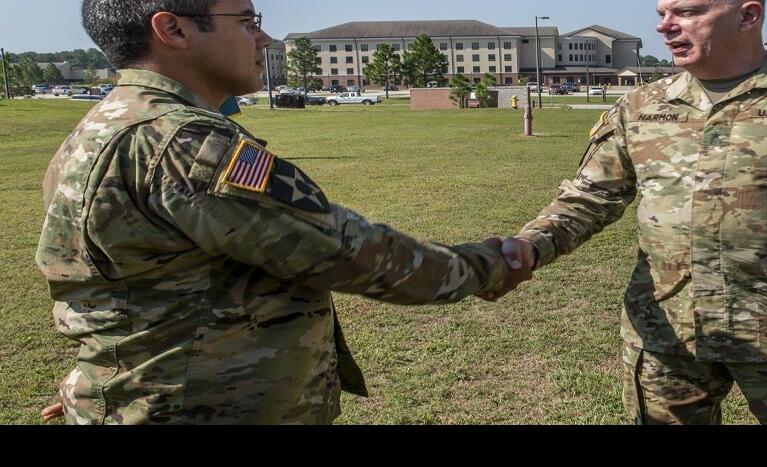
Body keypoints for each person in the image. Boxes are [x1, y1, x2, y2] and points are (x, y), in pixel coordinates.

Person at [37, 0, 513, 424]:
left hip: (152, 398)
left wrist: (103, 383)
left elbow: (111, 285)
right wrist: (488, 265)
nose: (265, 39)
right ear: (173, 29)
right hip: (203, 405)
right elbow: (345, 250)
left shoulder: (105, 125)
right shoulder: (184, 144)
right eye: (247, 22)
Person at [488, 0, 767, 424]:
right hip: (666, 335)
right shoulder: (642, 106)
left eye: (688, 11)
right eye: (662, 13)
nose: (665, 25)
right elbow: (590, 198)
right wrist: (531, 244)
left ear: (748, 15)